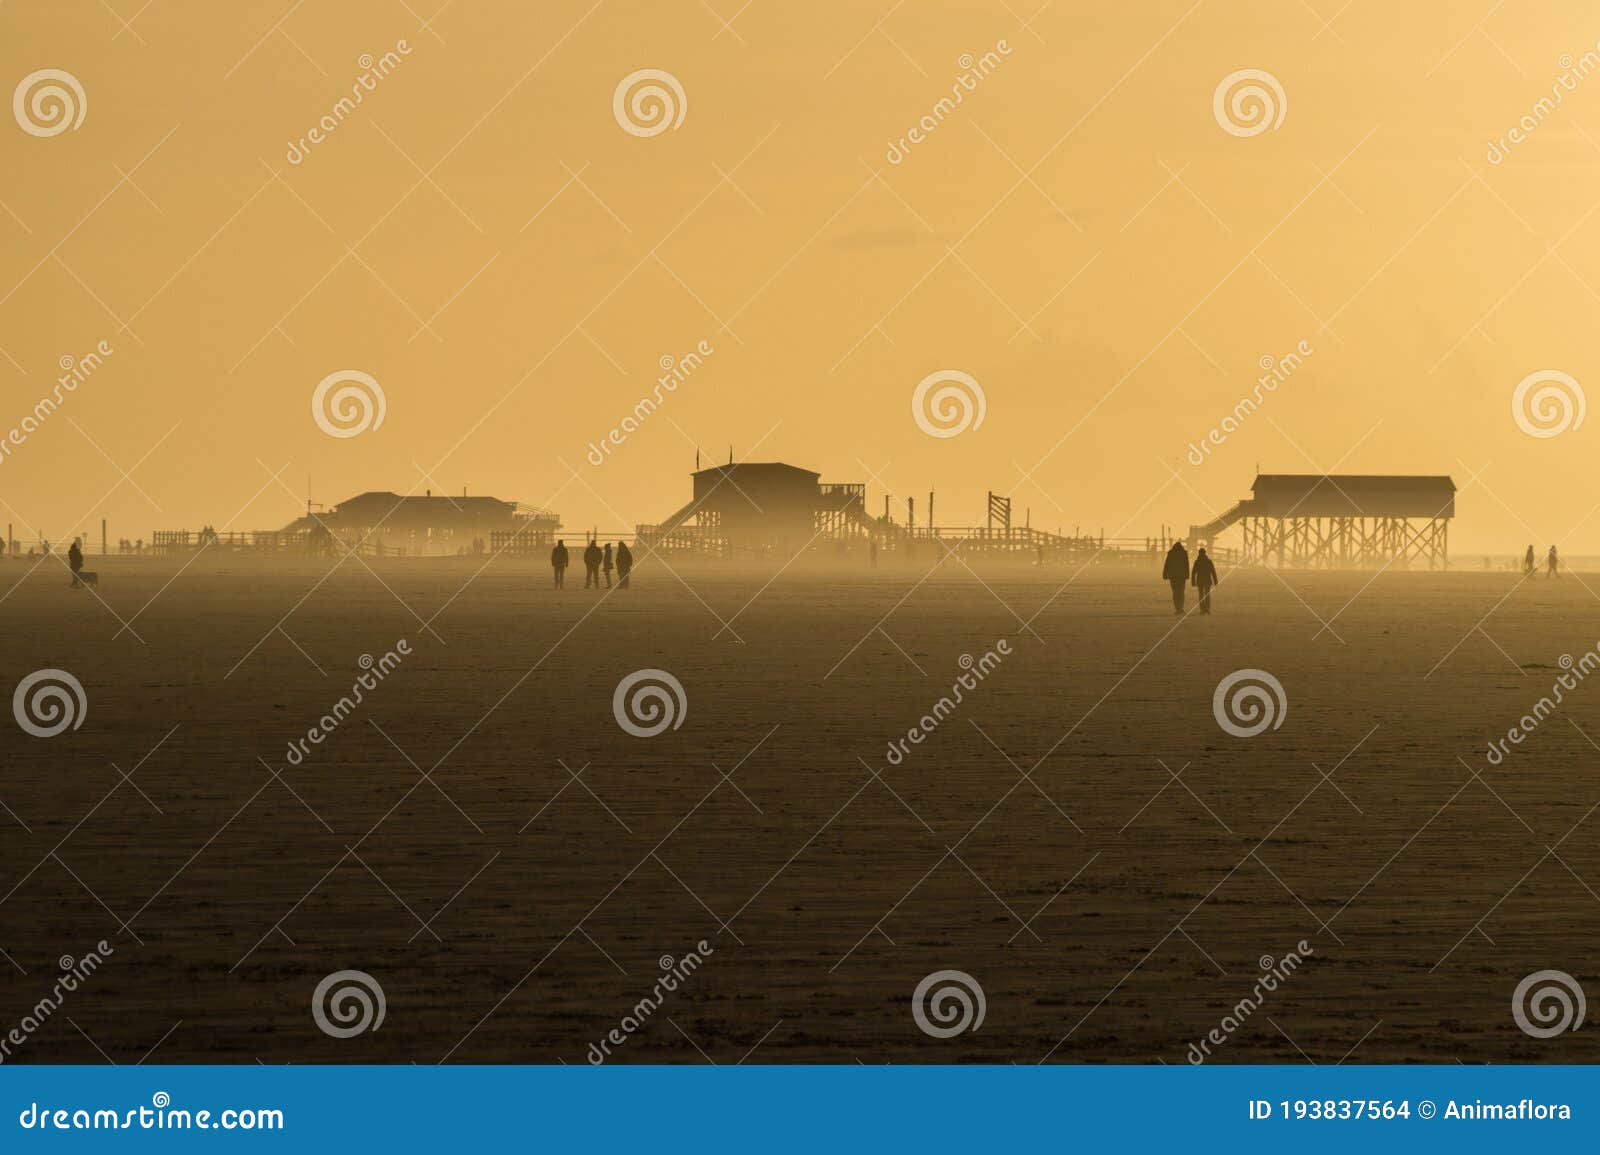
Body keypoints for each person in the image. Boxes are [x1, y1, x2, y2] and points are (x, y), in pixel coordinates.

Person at [1162, 539, 1190, 614]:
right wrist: (1187, 575)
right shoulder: (1184, 553)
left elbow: (1166, 565)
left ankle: (1177, 608)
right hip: (1182, 576)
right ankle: (1181, 608)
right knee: (1181, 592)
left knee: (1175, 592)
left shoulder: (1171, 553)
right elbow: (1186, 565)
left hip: (1173, 576)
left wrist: (1165, 574)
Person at [1192, 546, 1218, 615]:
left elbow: (1193, 572)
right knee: (1207, 595)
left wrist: (1193, 581)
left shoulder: (1197, 561)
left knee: (1201, 595)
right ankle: (1207, 609)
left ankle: (1203, 609)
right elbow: (1213, 571)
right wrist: (1215, 581)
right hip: (1207, 580)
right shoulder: (1209, 561)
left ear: (1199, 553)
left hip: (1200, 580)